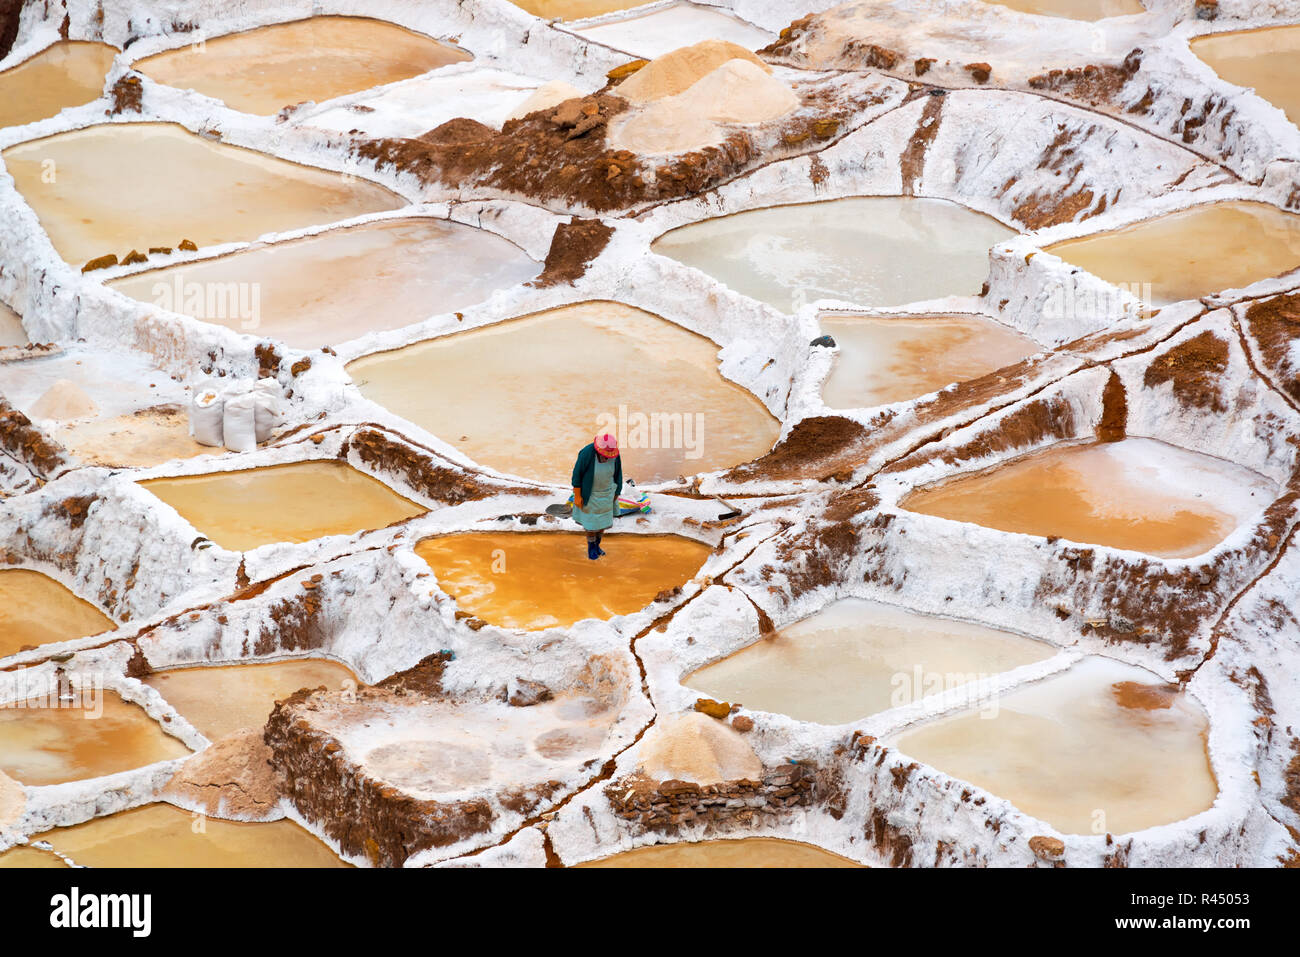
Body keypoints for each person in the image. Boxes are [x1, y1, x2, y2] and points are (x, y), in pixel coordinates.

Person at [571, 432, 622, 560]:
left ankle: (597, 545)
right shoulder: (586, 453)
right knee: (591, 525)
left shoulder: (614, 453)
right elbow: (577, 475)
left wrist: (617, 492)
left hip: (607, 493)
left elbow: (618, 473)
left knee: (603, 523)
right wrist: (577, 495)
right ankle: (591, 547)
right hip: (590, 494)